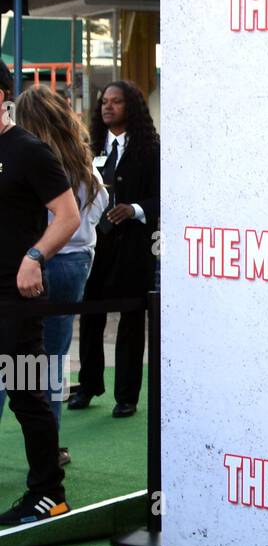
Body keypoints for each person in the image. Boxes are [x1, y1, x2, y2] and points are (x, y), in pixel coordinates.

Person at [0, 85, 108, 466]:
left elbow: (50, 215)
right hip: (74, 260)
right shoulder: (77, 158)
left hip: (36, 262)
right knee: (49, 362)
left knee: (15, 362)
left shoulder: (26, 152)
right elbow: (98, 205)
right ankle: (52, 449)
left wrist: (37, 250)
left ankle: (44, 464)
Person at [0, 60, 79, 526]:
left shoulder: (27, 150)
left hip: (16, 297)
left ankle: (49, 493)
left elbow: (67, 215)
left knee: (27, 392)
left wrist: (35, 256)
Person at [68, 80, 160, 417]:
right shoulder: (87, 147)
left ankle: (127, 396)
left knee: (131, 321)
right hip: (96, 245)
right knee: (91, 315)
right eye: (104, 101)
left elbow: (163, 197)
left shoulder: (151, 149)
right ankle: (89, 385)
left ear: (130, 107)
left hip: (135, 247)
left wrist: (134, 209)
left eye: (116, 101)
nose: (108, 106)